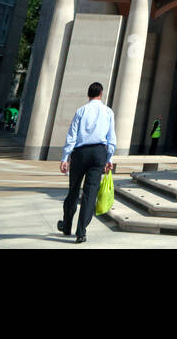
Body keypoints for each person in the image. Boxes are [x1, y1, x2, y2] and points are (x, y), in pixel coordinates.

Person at [57, 82, 117, 243]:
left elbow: (72, 135)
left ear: (88, 94)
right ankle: (81, 232)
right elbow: (112, 138)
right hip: (99, 153)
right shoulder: (108, 112)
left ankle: (67, 225)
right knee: (90, 194)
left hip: (80, 153)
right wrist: (109, 158)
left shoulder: (81, 111)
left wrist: (65, 158)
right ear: (101, 94)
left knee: (73, 190)